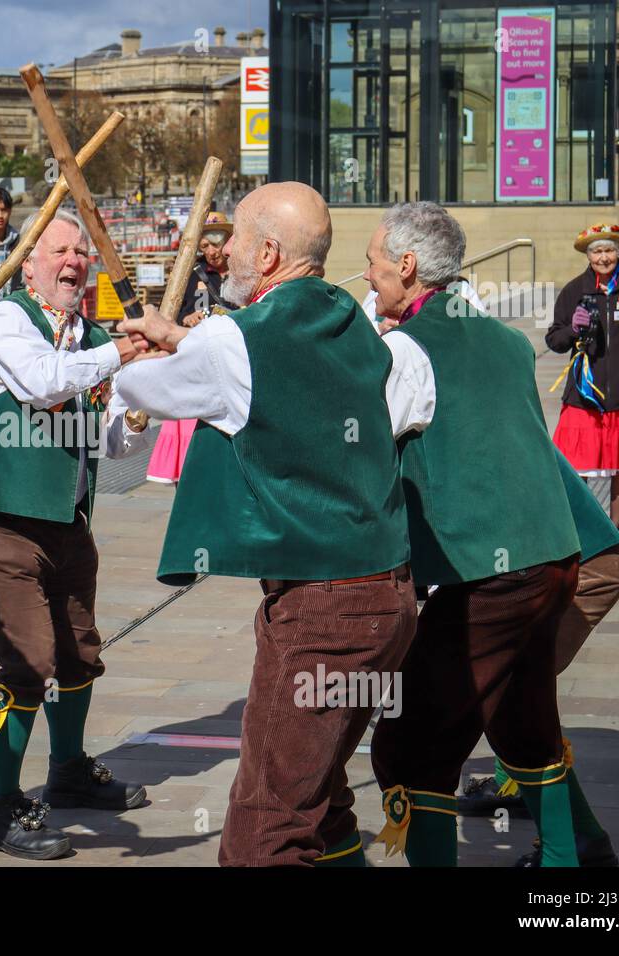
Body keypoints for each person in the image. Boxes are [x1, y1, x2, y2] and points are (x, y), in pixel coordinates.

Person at [115, 182, 417, 867]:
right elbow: (261, 359)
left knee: (265, 832)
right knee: (322, 796)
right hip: (389, 601)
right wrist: (184, 339)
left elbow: (151, 389)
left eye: (238, 243)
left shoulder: (231, 339)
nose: (223, 255)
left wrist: (129, 362)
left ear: (270, 252)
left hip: (322, 610)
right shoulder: (353, 319)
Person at [364, 201, 599, 867]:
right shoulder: (502, 336)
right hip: (553, 553)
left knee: (407, 747)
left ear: (407, 268)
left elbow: (364, 450)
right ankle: (570, 861)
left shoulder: (404, 348)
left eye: (375, 268)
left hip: (491, 573)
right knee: (522, 721)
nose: (370, 280)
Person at [0, 210, 149, 861]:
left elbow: (115, 449)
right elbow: (42, 385)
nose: (74, 262)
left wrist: (139, 407)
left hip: (68, 519)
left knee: (78, 651)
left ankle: (66, 770)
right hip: (2, 517)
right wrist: (120, 352)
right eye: (60, 251)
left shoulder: (92, 337)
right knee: (27, 661)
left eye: (81, 253)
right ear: (29, 265)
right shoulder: (9, 321)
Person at [459, 450, 619, 867]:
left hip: (574, 564)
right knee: (512, 701)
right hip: (562, 557)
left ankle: (576, 844)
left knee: (512, 704)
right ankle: (566, 827)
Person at [546, 224, 619, 528]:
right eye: (597, 251)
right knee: (574, 467)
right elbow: (555, 341)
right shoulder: (575, 290)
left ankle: (614, 533)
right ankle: (580, 532)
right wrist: (573, 329)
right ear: (588, 256)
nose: (603, 257)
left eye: (609, 250)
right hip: (584, 395)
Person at [146, 211, 236, 485]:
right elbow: (177, 313)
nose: (210, 252)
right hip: (195, 360)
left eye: (215, 244)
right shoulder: (193, 273)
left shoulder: (241, 272)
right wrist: (188, 318)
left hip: (229, 361)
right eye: (205, 246)